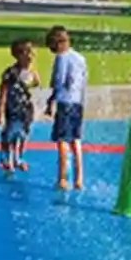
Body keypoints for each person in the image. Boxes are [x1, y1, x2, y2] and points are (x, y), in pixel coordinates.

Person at [44, 26, 87, 191]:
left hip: (65, 102)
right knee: (76, 140)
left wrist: (51, 101)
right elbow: (83, 82)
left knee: (62, 140)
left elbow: (60, 81)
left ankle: (62, 179)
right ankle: (79, 179)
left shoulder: (62, 58)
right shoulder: (80, 58)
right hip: (78, 103)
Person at [0, 38, 40, 173]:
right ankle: (6, 160)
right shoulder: (10, 73)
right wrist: (0, 112)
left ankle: (18, 158)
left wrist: (32, 76)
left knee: (23, 135)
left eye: (32, 54)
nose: (32, 57)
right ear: (19, 55)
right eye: (29, 54)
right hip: (12, 109)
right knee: (9, 135)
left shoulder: (32, 72)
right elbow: (3, 93)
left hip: (26, 110)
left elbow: (37, 83)